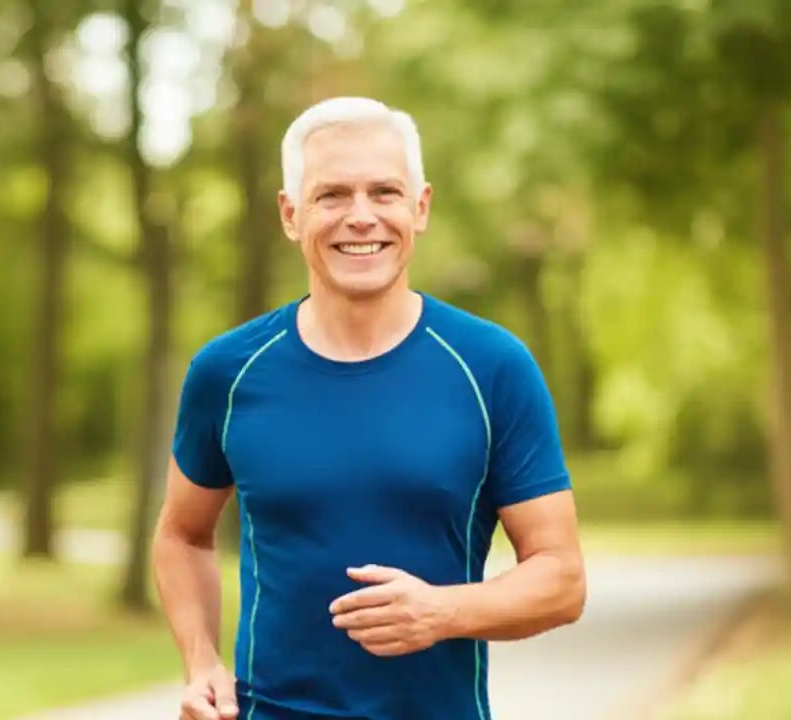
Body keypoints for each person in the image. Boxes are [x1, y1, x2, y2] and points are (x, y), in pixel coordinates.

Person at [150, 96, 586, 720]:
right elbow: (181, 534)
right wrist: (201, 662)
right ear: (291, 214)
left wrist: (442, 611)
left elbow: (562, 578)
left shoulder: (492, 366)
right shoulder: (227, 372)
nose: (361, 217)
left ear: (420, 207)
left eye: (384, 192)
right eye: (332, 196)